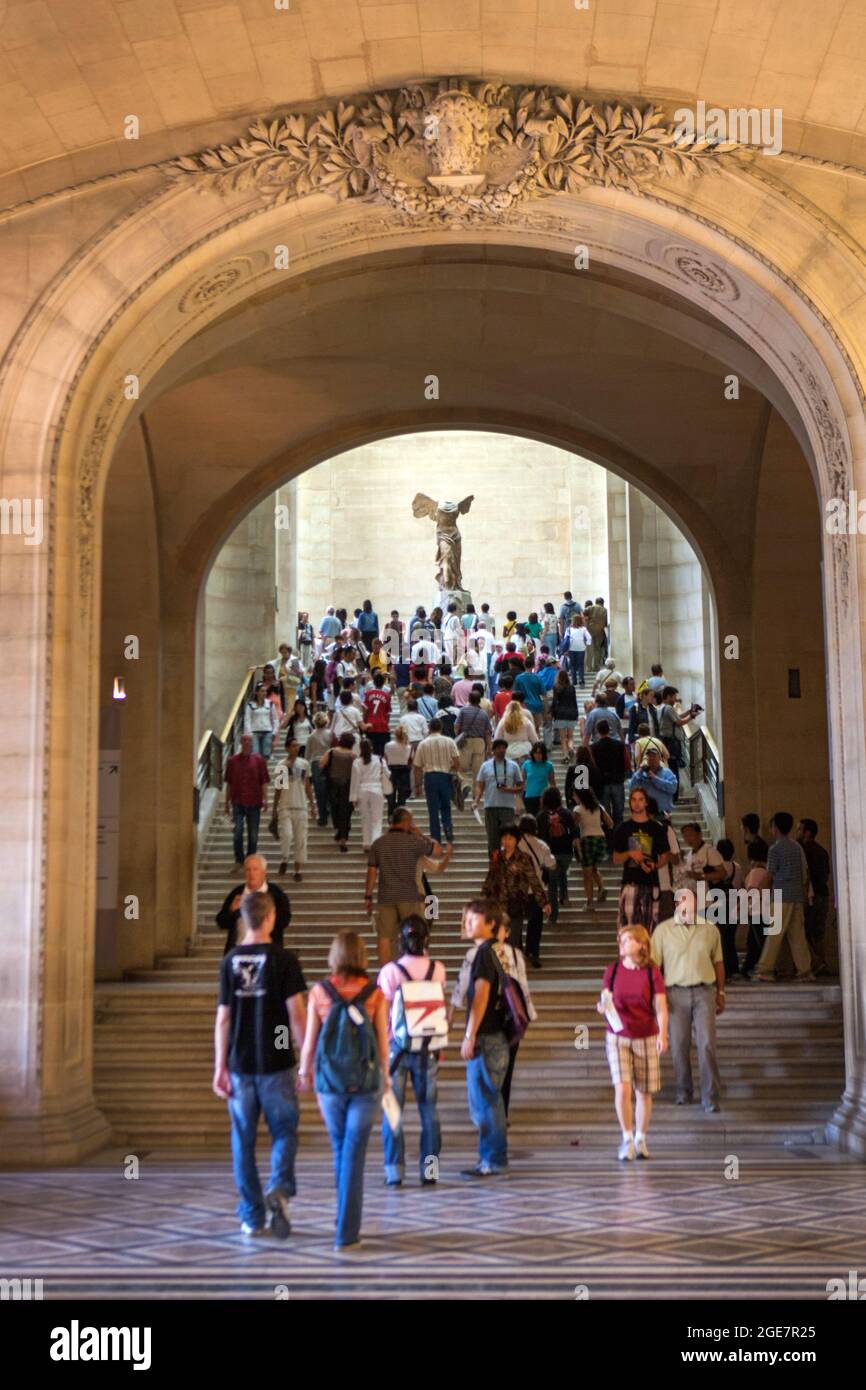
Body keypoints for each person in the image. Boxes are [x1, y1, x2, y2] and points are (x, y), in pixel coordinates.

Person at [213, 890, 307, 1237]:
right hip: (277, 1063)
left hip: (240, 1064)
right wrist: (306, 1059)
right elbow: (296, 1014)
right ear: (270, 919)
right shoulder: (285, 960)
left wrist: (219, 1067)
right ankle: (279, 1188)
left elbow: (223, 1018)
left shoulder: (229, 962)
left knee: (243, 1139)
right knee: (284, 1131)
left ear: (244, 919)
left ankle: (251, 1216)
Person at [299, 930, 390, 1251]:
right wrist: (386, 1077)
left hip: (330, 1085)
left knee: (341, 1150)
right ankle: (347, 1233)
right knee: (354, 1154)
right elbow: (383, 1041)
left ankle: (342, 1223)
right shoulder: (375, 993)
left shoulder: (320, 993)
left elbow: (310, 1041)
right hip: (366, 1084)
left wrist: (303, 1071)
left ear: (334, 956)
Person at [377, 914, 446, 1187]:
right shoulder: (437, 969)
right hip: (427, 1047)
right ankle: (429, 1170)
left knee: (393, 1110)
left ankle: (394, 1170)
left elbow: (383, 1016)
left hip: (396, 1049)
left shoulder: (390, 972)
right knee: (429, 1110)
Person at [651, 888, 724, 1112]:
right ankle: (683, 1090)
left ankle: (710, 1096)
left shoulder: (710, 929)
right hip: (675, 994)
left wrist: (721, 991)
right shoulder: (663, 931)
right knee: (679, 1046)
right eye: (682, 900)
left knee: (707, 1044)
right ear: (675, 904)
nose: (686, 905)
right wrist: (657, 996)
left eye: (690, 900)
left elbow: (718, 961)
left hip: (705, 991)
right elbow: (654, 966)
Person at [599, 924, 668, 1160]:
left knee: (644, 1091)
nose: (622, 944)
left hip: (646, 1035)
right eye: (620, 940)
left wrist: (662, 1033)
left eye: (627, 940)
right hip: (618, 1036)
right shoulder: (613, 971)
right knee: (622, 1086)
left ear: (641, 944)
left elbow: (660, 1006)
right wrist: (602, 1007)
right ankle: (627, 1138)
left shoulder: (651, 972)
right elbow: (606, 998)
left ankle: (641, 1138)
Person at [459, 898, 513, 1177]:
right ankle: (492, 1157)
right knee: (491, 1100)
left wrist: (470, 1034)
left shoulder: (483, 954)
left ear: (491, 924)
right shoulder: (498, 951)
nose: (468, 923)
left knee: (485, 1102)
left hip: (486, 1037)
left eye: (474, 918)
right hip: (498, 1036)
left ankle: (492, 1159)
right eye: (467, 918)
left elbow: (480, 996)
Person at [365, 808, 446, 964]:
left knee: (384, 937)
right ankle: (411, 971)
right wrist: (420, 834)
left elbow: (372, 871)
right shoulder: (414, 842)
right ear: (407, 822)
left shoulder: (378, 844)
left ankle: (385, 976)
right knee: (413, 934)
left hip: (386, 897)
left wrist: (368, 895)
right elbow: (437, 850)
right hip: (410, 897)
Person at [753, 811, 814, 983]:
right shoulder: (797, 847)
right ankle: (805, 971)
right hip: (796, 895)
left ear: (776, 827)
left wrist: (757, 891)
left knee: (774, 934)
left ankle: (764, 970)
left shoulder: (775, 849)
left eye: (772, 826)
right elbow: (805, 873)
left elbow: (770, 874)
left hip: (780, 895)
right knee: (798, 936)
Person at [482, 824, 550, 958]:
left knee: (511, 944)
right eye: (504, 838)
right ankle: (502, 975)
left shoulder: (524, 858)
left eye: (510, 838)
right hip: (498, 906)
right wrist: (483, 897)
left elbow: (534, 880)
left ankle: (509, 975)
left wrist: (544, 902)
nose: (506, 842)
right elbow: (490, 878)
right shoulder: (496, 857)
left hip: (515, 906)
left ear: (516, 840)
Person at [611, 786, 670, 931]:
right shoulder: (623, 828)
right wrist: (630, 854)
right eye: (634, 800)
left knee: (651, 928)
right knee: (628, 929)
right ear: (630, 803)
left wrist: (655, 865)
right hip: (630, 884)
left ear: (646, 803)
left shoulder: (657, 828)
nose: (637, 803)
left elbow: (665, 855)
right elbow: (616, 858)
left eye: (641, 799)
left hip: (651, 884)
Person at [216, 853, 291, 955]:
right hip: (239, 952)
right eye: (248, 870)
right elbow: (221, 922)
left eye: (255, 869)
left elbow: (285, 921)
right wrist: (231, 911)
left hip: (268, 953)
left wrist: (267, 914)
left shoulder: (276, 894)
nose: (251, 874)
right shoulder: (237, 893)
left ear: (264, 872)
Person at [224, 733, 270, 869]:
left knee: (253, 833)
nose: (246, 742)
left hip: (254, 801)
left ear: (252, 743)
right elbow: (229, 783)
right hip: (237, 801)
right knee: (237, 831)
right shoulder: (232, 761)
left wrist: (266, 799)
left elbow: (264, 781)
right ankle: (239, 859)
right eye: (244, 740)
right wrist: (226, 803)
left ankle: (250, 860)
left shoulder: (259, 760)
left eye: (249, 740)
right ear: (240, 742)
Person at [413, 717, 460, 844]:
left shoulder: (423, 743)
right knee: (446, 805)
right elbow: (457, 762)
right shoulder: (449, 741)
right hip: (445, 776)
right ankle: (448, 828)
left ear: (429, 728)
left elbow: (417, 766)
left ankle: (435, 838)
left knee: (433, 809)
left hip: (430, 777)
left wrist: (418, 785)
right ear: (441, 727)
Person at [272, 739, 314, 881]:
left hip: (301, 806)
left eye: (298, 746)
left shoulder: (304, 764)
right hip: (285, 806)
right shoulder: (281, 766)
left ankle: (297, 870)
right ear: (287, 748)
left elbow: (307, 785)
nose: (296, 748)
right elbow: (279, 788)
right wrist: (274, 808)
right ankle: (285, 858)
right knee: (287, 834)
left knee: (301, 839)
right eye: (293, 745)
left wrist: (313, 805)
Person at [474, 738, 525, 856]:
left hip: (507, 807)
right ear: (493, 750)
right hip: (490, 806)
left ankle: (509, 864)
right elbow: (480, 786)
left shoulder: (513, 765)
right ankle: (494, 866)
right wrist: (476, 801)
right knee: (492, 839)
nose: (502, 750)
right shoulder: (485, 766)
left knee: (509, 838)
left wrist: (509, 790)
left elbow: (521, 787)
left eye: (504, 748)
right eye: (499, 748)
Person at [797, 818, 831, 975]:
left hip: (812, 896)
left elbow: (805, 875)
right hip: (824, 895)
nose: (797, 832)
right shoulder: (822, 851)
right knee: (818, 932)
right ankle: (822, 962)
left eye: (799, 829)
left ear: (807, 832)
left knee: (806, 931)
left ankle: (817, 962)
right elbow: (827, 874)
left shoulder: (804, 851)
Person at [537, 787, 577, 921]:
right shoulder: (566, 813)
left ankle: (553, 915)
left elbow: (539, 837)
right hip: (566, 852)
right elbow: (575, 833)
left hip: (550, 853)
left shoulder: (541, 815)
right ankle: (564, 897)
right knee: (562, 873)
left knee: (552, 884)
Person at [658, 685, 700, 801]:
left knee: (670, 768)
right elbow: (679, 722)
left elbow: (677, 717)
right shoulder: (669, 708)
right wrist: (691, 716)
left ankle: (672, 795)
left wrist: (688, 712)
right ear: (668, 696)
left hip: (665, 741)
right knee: (674, 769)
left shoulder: (661, 708)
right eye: (674, 697)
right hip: (672, 743)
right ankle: (674, 796)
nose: (675, 699)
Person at [573, 788, 613, 910]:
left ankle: (589, 903)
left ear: (580, 796)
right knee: (593, 867)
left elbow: (573, 827)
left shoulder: (578, 809)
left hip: (587, 840)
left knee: (587, 874)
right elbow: (610, 823)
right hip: (600, 839)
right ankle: (601, 887)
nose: (573, 798)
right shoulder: (599, 807)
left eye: (575, 795)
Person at [349, 738, 390, 852]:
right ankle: (375, 842)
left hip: (362, 789)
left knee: (365, 817)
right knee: (377, 819)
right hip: (376, 788)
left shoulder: (357, 762)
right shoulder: (379, 759)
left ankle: (366, 843)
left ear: (360, 748)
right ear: (371, 747)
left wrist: (353, 797)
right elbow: (388, 773)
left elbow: (355, 780)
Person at [740, 838, 772, 980]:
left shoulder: (755, 872)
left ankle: (751, 967)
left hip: (756, 910)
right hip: (765, 909)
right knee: (757, 939)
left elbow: (752, 890)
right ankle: (752, 966)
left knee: (754, 941)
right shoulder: (766, 870)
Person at [320, 732, 357, 853]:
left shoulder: (331, 752)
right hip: (348, 786)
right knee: (345, 812)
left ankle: (338, 829)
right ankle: (343, 838)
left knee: (335, 809)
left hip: (333, 785)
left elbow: (321, 764)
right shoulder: (353, 755)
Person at [590, 717, 630, 827]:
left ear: (598, 731)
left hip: (602, 783)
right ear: (609, 730)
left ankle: (609, 835)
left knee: (605, 814)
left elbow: (593, 766)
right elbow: (627, 763)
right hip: (617, 780)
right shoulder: (620, 745)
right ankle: (619, 833)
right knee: (619, 812)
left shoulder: (593, 747)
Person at [455, 688, 493, 791]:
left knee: (461, 768)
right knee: (478, 770)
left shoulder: (463, 710)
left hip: (466, 741)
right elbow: (488, 732)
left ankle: (466, 783)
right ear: (479, 700)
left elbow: (457, 726)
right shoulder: (483, 713)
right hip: (480, 742)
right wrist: (490, 747)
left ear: (469, 699)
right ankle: (476, 795)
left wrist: (457, 736)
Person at [630, 745, 678, 817]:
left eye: (654, 756)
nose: (651, 758)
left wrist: (655, 778)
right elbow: (632, 788)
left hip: (663, 813)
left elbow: (673, 788)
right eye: (649, 756)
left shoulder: (667, 773)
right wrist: (640, 771)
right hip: (646, 813)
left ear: (659, 758)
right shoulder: (641, 775)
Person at [305, 711, 332, 826]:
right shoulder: (331, 734)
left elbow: (307, 754)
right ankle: (329, 808)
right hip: (329, 762)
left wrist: (307, 771)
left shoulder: (311, 736)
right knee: (330, 789)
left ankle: (323, 816)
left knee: (319, 791)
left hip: (316, 764)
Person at [494, 698, 537, 763]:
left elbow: (497, 739)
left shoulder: (503, 722)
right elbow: (534, 739)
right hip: (524, 751)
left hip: (508, 753)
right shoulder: (526, 721)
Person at [244, 683, 280, 758]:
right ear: (257, 692)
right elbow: (247, 720)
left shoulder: (270, 704)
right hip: (254, 732)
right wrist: (249, 733)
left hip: (267, 731)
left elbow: (275, 719)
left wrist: (274, 731)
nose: (264, 693)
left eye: (265, 691)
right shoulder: (250, 705)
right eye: (262, 691)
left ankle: (263, 769)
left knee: (266, 754)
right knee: (255, 754)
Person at [521, 739, 555, 814]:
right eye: (535, 753)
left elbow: (552, 784)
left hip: (544, 798)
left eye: (540, 753)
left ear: (544, 754)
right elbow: (522, 782)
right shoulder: (526, 764)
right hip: (529, 797)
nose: (538, 755)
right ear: (532, 753)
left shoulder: (549, 765)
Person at [362, 670, 392, 756]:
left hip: (370, 725)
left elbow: (365, 710)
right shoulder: (386, 696)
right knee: (382, 752)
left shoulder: (368, 694)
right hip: (383, 726)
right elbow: (388, 713)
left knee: (371, 751)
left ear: (374, 683)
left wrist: (364, 722)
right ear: (383, 684)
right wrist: (387, 724)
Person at [384, 723, 412, 815]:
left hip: (391, 770)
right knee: (402, 797)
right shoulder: (408, 747)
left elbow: (386, 759)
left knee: (391, 796)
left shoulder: (388, 745)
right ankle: (400, 817)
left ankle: (391, 815)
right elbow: (410, 760)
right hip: (404, 771)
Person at [513, 656, 545, 732]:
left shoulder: (519, 678)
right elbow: (544, 694)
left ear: (524, 665)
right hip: (537, 706)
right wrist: (545, 709)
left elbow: (515, 693)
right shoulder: (538, 678)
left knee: (525, 729)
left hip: (524, 706)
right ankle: (537, 742)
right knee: (536, 729)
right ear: (534, 665)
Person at [586, 598, 608, 674]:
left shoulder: (590, 607)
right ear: (602, 603)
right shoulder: (605, 610)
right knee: (597, 649)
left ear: (596, 602)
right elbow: (606, 622)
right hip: (600, 631)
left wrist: (586, 623)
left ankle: (588, 667)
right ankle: (595, 666)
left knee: (589, 649)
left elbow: (582, 614)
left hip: (589, 630)